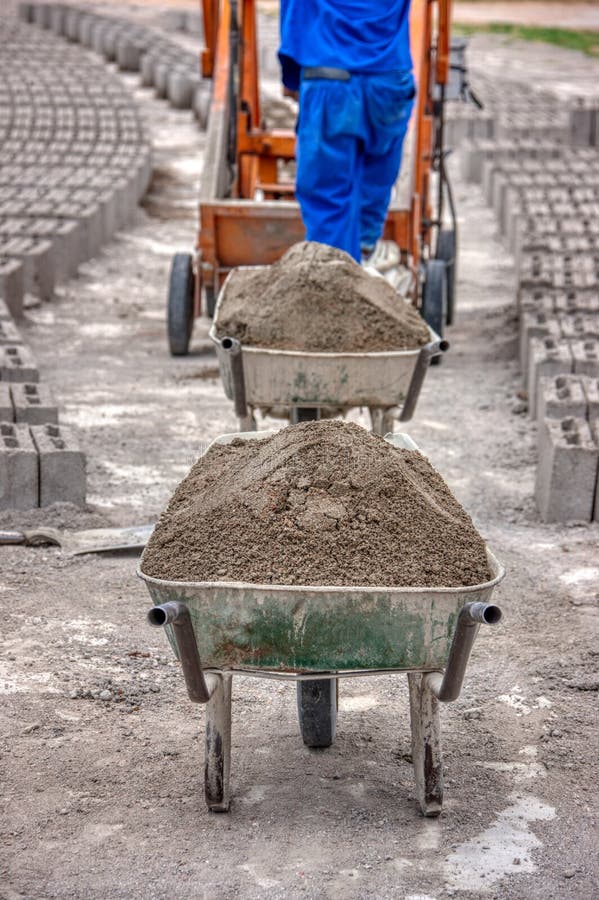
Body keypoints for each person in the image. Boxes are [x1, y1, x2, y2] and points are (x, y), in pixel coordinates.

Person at [279, 0, 415, 266]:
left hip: (329, 76)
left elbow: (293, 12)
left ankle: (336, 278)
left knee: (328, 195)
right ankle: (366, 250)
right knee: (374, 180)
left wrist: (292, 79)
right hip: (388, 79)